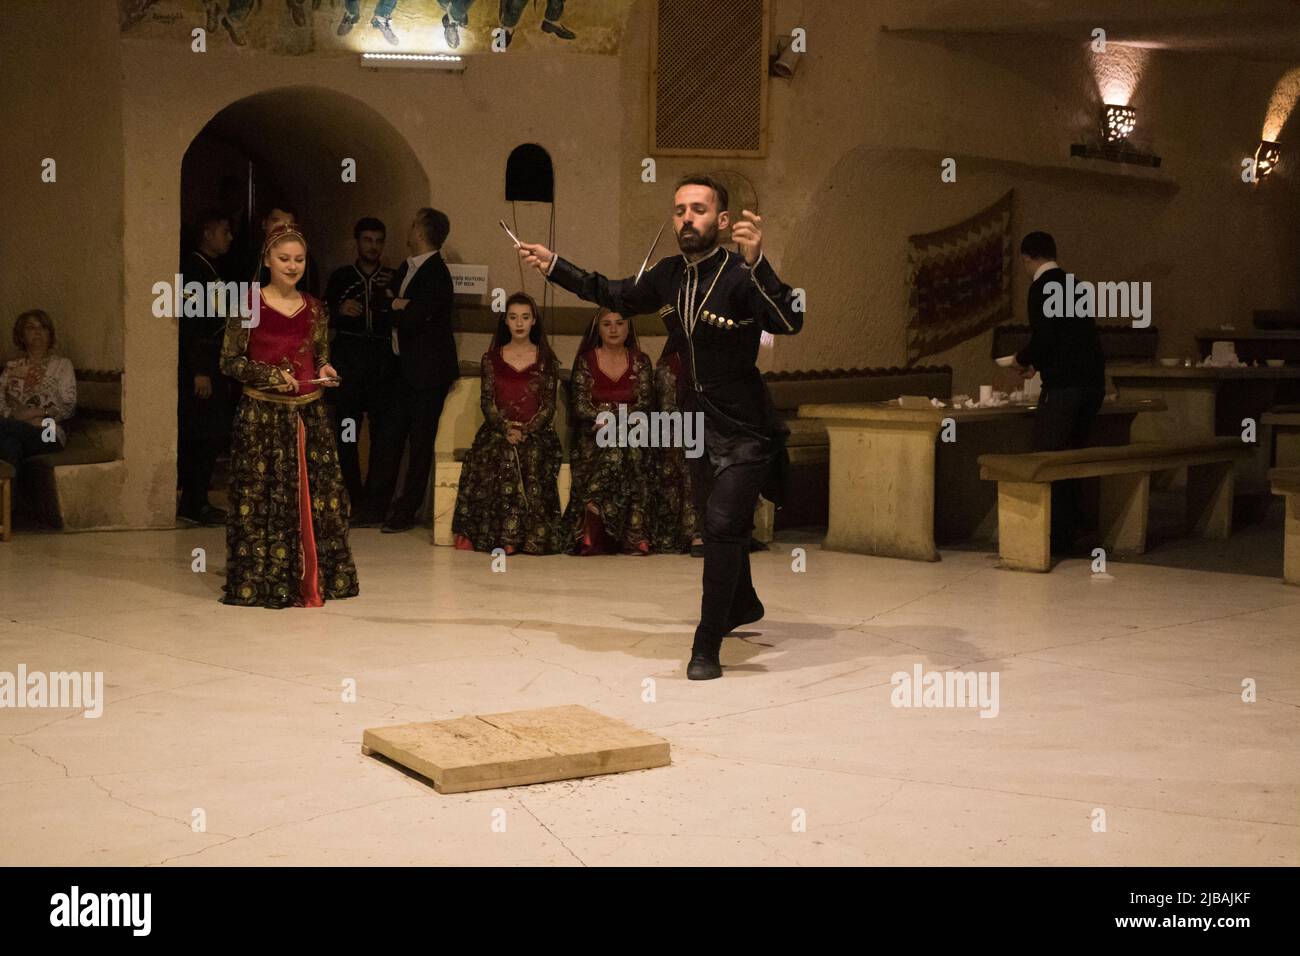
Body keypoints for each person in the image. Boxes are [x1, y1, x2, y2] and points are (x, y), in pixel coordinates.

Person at [519, 173, 803, 680]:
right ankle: (742, 603)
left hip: (745, 429)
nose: (686, 218)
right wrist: (555, 266)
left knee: (717, 526)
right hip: (694, 423)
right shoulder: (670, 274)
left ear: (721, 220)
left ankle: (706, 643)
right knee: (723, 526)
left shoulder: (740, 274)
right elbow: (612, 292)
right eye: (678, 210)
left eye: (697, 209)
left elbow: (788, 320)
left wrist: (760, 261)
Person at [219, 224, 358, 608]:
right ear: (267, 260)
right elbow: (229, 362)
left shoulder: (315, 307)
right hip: (263, 417)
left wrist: (326, 370)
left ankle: (313, 577)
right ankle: (267, 579)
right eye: (284, 259)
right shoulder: (248, 303)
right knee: (264, 497)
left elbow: (319, 354)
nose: (292, 266)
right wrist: (268, 375)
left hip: (308, 415)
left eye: (298, 259)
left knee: (316, 499)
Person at [1010, 231, 1106, 552]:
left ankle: (1048, 535)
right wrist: (1039, 362)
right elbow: (1075, 338)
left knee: (1047, 458)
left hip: (1064, 388)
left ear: (1027, 258)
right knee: (1072, 459)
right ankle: (1071, 531)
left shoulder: (1040, 287)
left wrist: (1021, 359)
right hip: (1091, 385)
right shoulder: (1076, 285)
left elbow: (1046, 336)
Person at [369, 208, 459, 533]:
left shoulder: (437, 273)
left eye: (411, 223)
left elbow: (415, 318)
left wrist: (397, 304)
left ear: (420, 231)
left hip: (426, 374)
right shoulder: (406, 267)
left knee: (420, 444)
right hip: (398, 368)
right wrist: (396, 304)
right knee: (388, 439)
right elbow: (381, 305)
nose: (407, 229)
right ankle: (375, 505)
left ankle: (406, 510)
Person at [452, 292, 562, 554]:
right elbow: (487, 402)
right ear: (506, 322)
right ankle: (505, 538)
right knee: (500, 454)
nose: (520, 323)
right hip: (498, 431)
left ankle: (529, 536)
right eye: (513, 317)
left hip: (537, 432)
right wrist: (506, 429)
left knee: (531, 454)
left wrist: (526, 430)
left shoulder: (547, 359)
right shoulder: (491, 358)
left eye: (525, 317)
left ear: (534, 321)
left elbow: (548, 405)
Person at [560, 308, 654, 555]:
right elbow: (580, 405)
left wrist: (614, 420)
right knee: (625, 449)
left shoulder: (641, 361)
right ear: (597, 329)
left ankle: (593, 508)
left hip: (631, 430)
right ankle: (634, 535)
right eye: (607, 324)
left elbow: (644, 404)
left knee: (627, 445)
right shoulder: (585, 361)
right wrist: (605, 419)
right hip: (593, 434)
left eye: (619, 323)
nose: (613, 329)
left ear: (628, 328)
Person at [324, 217, 397, 525]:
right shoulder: (341, 277)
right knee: (347, 434)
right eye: (367, 240)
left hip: (381, 363)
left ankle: (375, 502)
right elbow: (322, 315)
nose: (373, 246)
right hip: (349, 362)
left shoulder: (392, 277)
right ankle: (350, 497)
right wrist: (339, 312)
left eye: (379, 240)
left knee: (383, 436)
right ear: (357, 242)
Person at [177, 209, 235, 526]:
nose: (229, 237)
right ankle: (194, 501)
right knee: (204, 433)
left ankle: (197, 498)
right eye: (224, 231)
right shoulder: (193, 270)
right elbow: (190, 324)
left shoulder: (214, 270)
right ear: (208, 234)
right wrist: (199, 369)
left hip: (216, 360)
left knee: (212, 433)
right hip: (202, 363)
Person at [0, 310, 76, 470]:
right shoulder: (12, 367)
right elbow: (1, 403)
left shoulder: (62, 365)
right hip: (15, 428)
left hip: (48, 431)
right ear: (21, 335)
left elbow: (68, 406)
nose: (37, 332)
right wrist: (18, 417)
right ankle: (14, 495)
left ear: (50, 334)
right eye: (30, 327)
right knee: (10, 445)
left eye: (43, 327)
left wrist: (36, 414)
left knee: (7, 433)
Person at [650, 325, 703, 555]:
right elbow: (668, 410)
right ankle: (696, 533)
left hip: (708, 426)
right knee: (692, 449)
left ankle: (727, 530)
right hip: (677, 429)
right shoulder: (669, 365)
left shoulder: (714, 362)